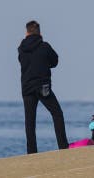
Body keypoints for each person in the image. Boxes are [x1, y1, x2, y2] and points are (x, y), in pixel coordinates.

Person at [18, 20, 69, 153]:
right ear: (39, 32)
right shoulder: (44, 46)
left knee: (30, 121)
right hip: (42, 86)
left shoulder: (21, 48)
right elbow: (55, 61)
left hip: (27, 87)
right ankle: (63, 147)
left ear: (27, 32)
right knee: (57, 113)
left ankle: (31, 152)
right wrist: (45, 64)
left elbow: (22, 62)